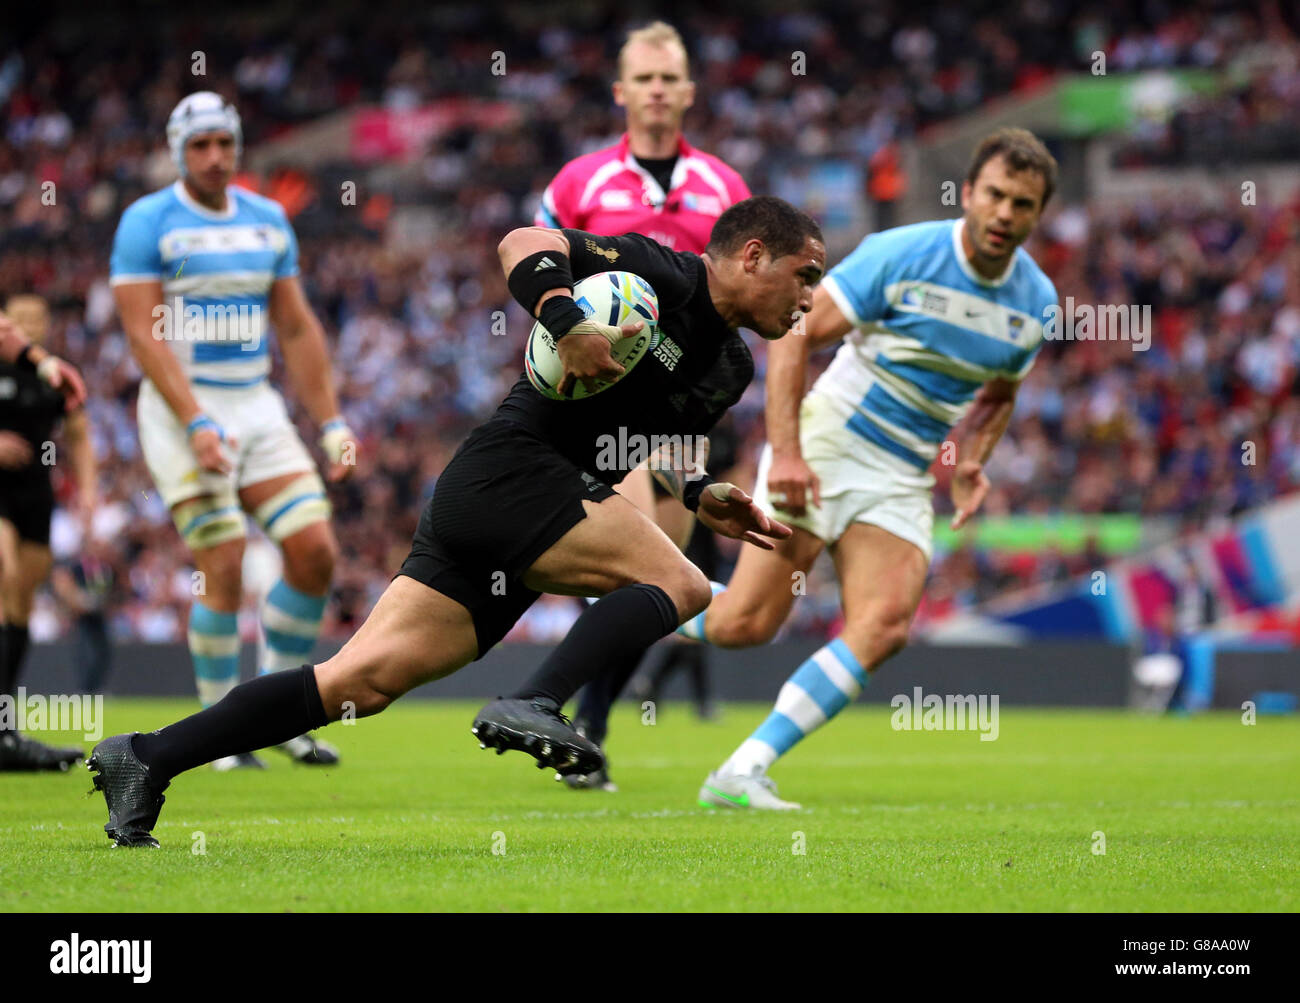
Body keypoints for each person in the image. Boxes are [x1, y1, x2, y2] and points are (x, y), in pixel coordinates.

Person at [87, 195, 825, 847]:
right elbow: (520, 244)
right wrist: (565, 321)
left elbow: (640, 439)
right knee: (684, 583)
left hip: (525, 497)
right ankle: (535, 700)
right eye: (805, 276)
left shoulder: (732, 367)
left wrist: (698, 493)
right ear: (753, 256)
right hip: (511, 471)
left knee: (356, 683)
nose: (809, 299)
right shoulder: (660, 274)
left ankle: (147, 756)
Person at [681, 129, 1060, 809]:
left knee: (885, 625)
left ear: (1038, 214)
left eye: (1023, 204)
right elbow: (796, 331)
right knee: (745, 623)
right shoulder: (903, 254)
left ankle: (741, 769)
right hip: (830, 442)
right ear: (969, 193)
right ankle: (626, 590)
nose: (1006, 213)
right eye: (997, 195)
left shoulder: (1034, 302)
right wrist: (788, 449)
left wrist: (973, 459)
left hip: (903, 473)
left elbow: (1001, 394)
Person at [109, 92, 360, 769]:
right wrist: (194, 420)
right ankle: (221, 737)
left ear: (239, 146)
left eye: (224, 143)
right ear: (177, 150)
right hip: (179, 407)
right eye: (200, 145)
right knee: (220, 565)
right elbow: (143, 332)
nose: (215, 157)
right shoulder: (147, 222)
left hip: (255, 402)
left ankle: (279, 714)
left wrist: (331, 418)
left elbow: (298, 326)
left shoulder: (269, 219)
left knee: (314, 552)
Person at [534, 20, 750, 791]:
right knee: (641, 563)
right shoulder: (580, 183)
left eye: (671, 78)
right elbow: (539, 266)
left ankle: (584, 727)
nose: (658, 90)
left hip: (684, 414)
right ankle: (561, 714)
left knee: (662, 581)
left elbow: (752, 294)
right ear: (621, 90)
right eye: (644, 78)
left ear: (689, 91)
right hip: (603, 401)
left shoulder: (726, 189)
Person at [0, 296, 94, 770]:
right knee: (4, 571)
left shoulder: (50, 377)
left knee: (20, 603)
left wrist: (90, 493)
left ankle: (3, 728)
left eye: (37, 319)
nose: (26, 328)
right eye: (18, 320)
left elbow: (78, 432)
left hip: (35, 497)